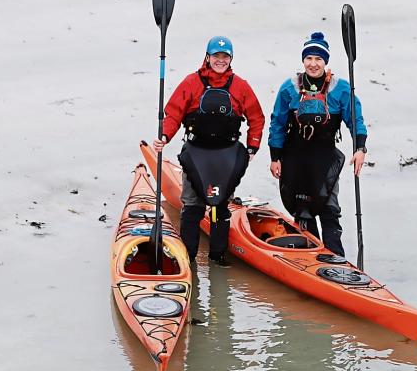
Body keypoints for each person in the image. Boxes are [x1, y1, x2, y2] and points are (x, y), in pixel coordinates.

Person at [152, 36, 264, 266]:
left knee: (221, 207)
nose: (220, 60)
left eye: (225, 57)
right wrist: (165, 136)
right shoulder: (192, 82)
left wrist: (252, 147)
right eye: (216, 56)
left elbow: (257, 118)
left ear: (231, 59)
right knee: (192, 207)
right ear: (207, 57)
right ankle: (187, 258)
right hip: (197, 153)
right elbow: (173, 113)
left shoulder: (240, 86)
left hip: (226, 155)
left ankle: (217, 257)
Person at [268, 31, 367, 257]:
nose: (313, 64)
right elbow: (278, 123)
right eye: (309, 58)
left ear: (325, 62)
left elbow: (356, 120)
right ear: (303, 60)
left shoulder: (341, 89)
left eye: (318, 59)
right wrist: (275, 157)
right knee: (303, 212)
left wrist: (360, 148)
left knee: (329, 210)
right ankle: (310, 261)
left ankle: (335, 262)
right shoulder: (289, 87)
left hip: (325, 160)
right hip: (294, 159)